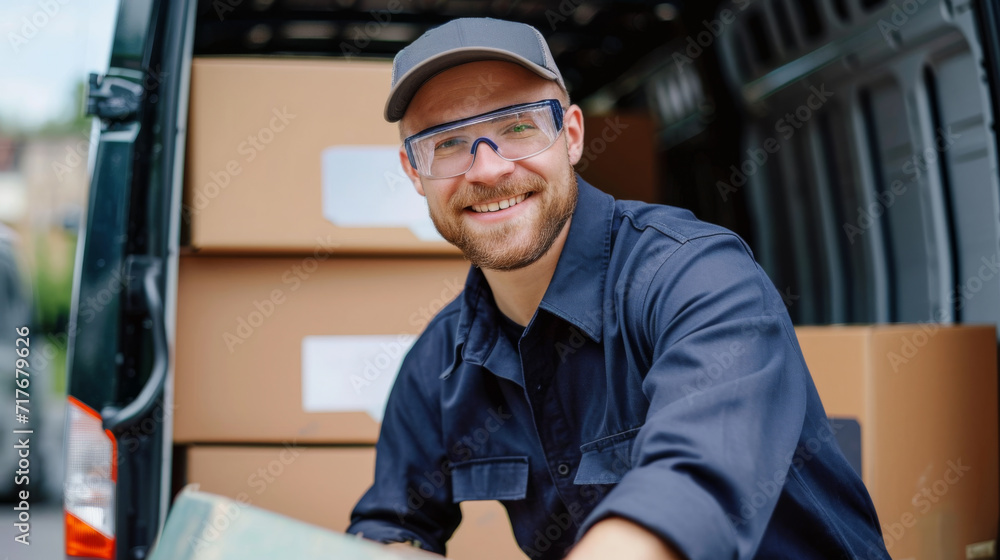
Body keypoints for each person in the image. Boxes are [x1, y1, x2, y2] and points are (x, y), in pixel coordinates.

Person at [348, 17, 890, 560]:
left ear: (573, 135)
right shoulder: (440, 361)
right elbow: (393, 528)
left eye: (518, 127)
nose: (487, 169)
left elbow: (690, 486)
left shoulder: (697, 277)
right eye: (447, 143)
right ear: (414, 173)